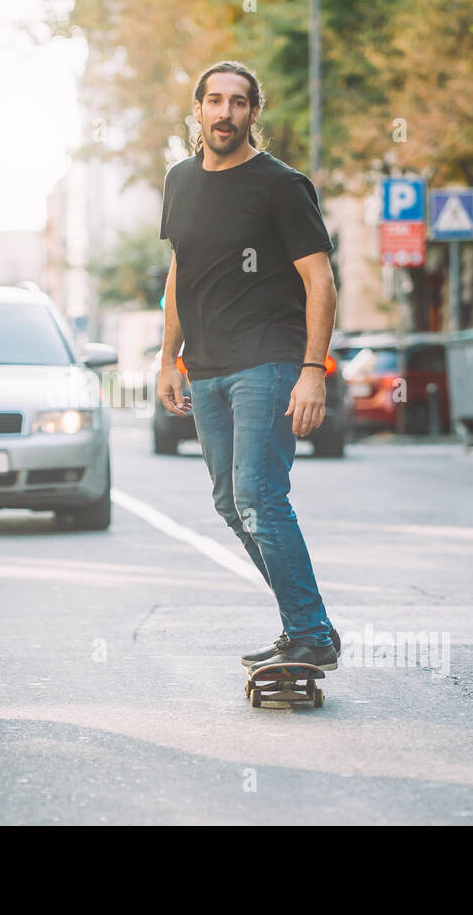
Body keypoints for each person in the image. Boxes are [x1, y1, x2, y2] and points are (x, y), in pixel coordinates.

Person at [156, 62, 341, 673]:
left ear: (253, 113)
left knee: (259, 493)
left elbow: (320, 279)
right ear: (199, 109)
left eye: (238, 102)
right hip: (205, 366)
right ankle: (306, 625)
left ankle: (310, 632)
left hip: (269, 358)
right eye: (214, 101)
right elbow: (180, 272)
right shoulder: (180, 181)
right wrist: (168, 358)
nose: (225, 112)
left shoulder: (281, 186)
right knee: (231, 505)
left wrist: (312, 370)